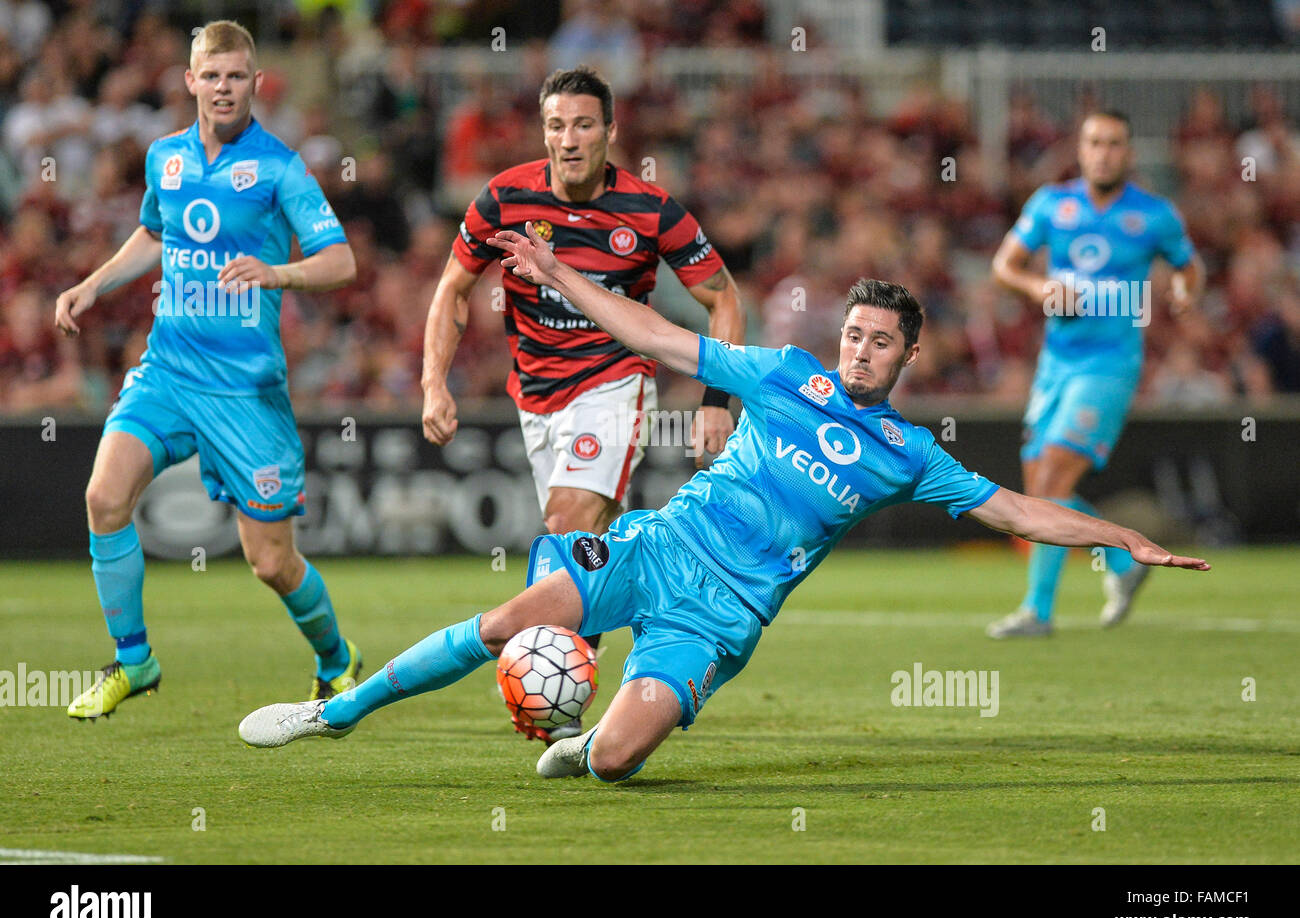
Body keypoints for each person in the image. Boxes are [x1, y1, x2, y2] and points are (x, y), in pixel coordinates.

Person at [238, 225, 1210, 783]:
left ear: (909, 355)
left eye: (881, 342)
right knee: (505, 621)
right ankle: (339, 710)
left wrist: (1119, 536)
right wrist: (563, 274)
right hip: (658, 548)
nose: (861, 349)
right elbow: (659, 336)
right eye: (855, 333)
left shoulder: (909, 454)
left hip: (723, 617)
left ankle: (592, 736)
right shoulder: (784, 372)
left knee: (614, 766)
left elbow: (1019, 511)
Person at [421, 65, 744, 738]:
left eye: (584, 124)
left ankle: (555, 699)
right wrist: (433, 382)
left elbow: (724, 298)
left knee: (566, 521)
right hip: (535, 394)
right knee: (587, 544)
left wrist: (717, 397)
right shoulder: (504, 197)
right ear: (544, 132)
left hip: (615, 382)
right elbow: (453, 287)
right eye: (556, 125)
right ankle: (622, 663)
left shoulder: (651, 210)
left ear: (611, 131)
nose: (569, 139)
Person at [56, 21, 362, 720]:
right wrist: (93, 284)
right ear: (190, 80)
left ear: (256, 82)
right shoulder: (164, 157)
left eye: (236, 76)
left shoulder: (281, 167)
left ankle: (336, 659)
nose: (223, 88)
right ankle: (134, 661)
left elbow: (341, 261)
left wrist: (279, 272)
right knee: (104, 497)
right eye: (212, 75)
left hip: (245, 392)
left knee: (271, 562)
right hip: (167, 370)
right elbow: (153, 233)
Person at [986, 110, 1205, 638]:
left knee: (1054, 477)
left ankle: (1038, 612)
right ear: (1080, 150)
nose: (1104, 153)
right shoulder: (1051, 204)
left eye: (1114, 144)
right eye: (1095, 143)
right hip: (1055, 363)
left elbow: (1189, 265)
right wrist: (1038, 287)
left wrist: (1185, 291)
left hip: (1110, 365)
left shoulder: (1153, 215)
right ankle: (1126, 561)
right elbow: (1003, 266)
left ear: (1129, 152)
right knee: (1040, 490)